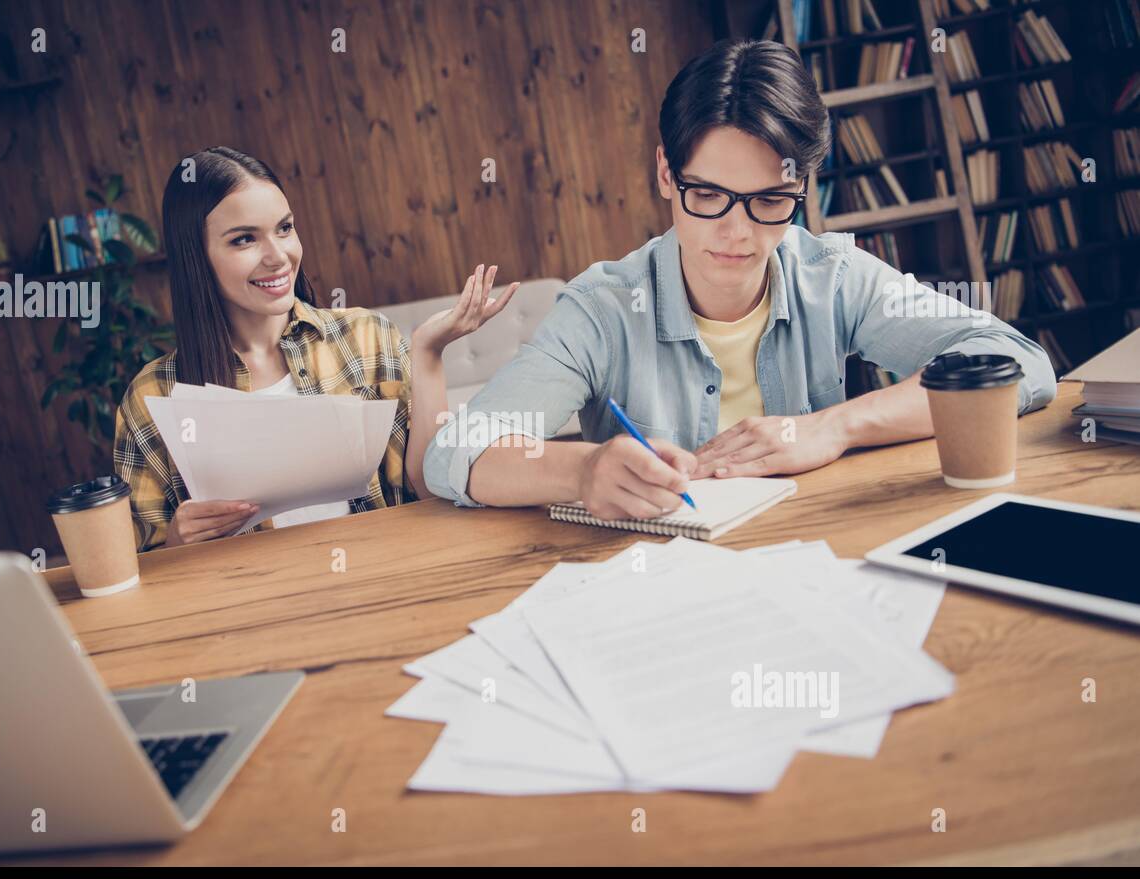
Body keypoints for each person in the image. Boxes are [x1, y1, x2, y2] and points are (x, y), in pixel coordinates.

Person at [423, 38, 1056, 519]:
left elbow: (1018, 362)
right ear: (667, 175)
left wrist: (833, 426)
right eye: (708, 194)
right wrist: (583, 471)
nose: (738, 232)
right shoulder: (602, 309)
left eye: (771, 200)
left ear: (802, 188)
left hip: (815, 558)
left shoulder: (830, 277)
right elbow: (457, 452)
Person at [115, 146, 518, 550]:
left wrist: (428, 353)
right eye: (243, 240)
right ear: (196, 258)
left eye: (284, 228)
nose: (278, 256)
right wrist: (175, 542)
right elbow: (138, 567)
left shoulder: (367, 336)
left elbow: (430, 489)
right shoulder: (151, 395)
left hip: (382, 577)